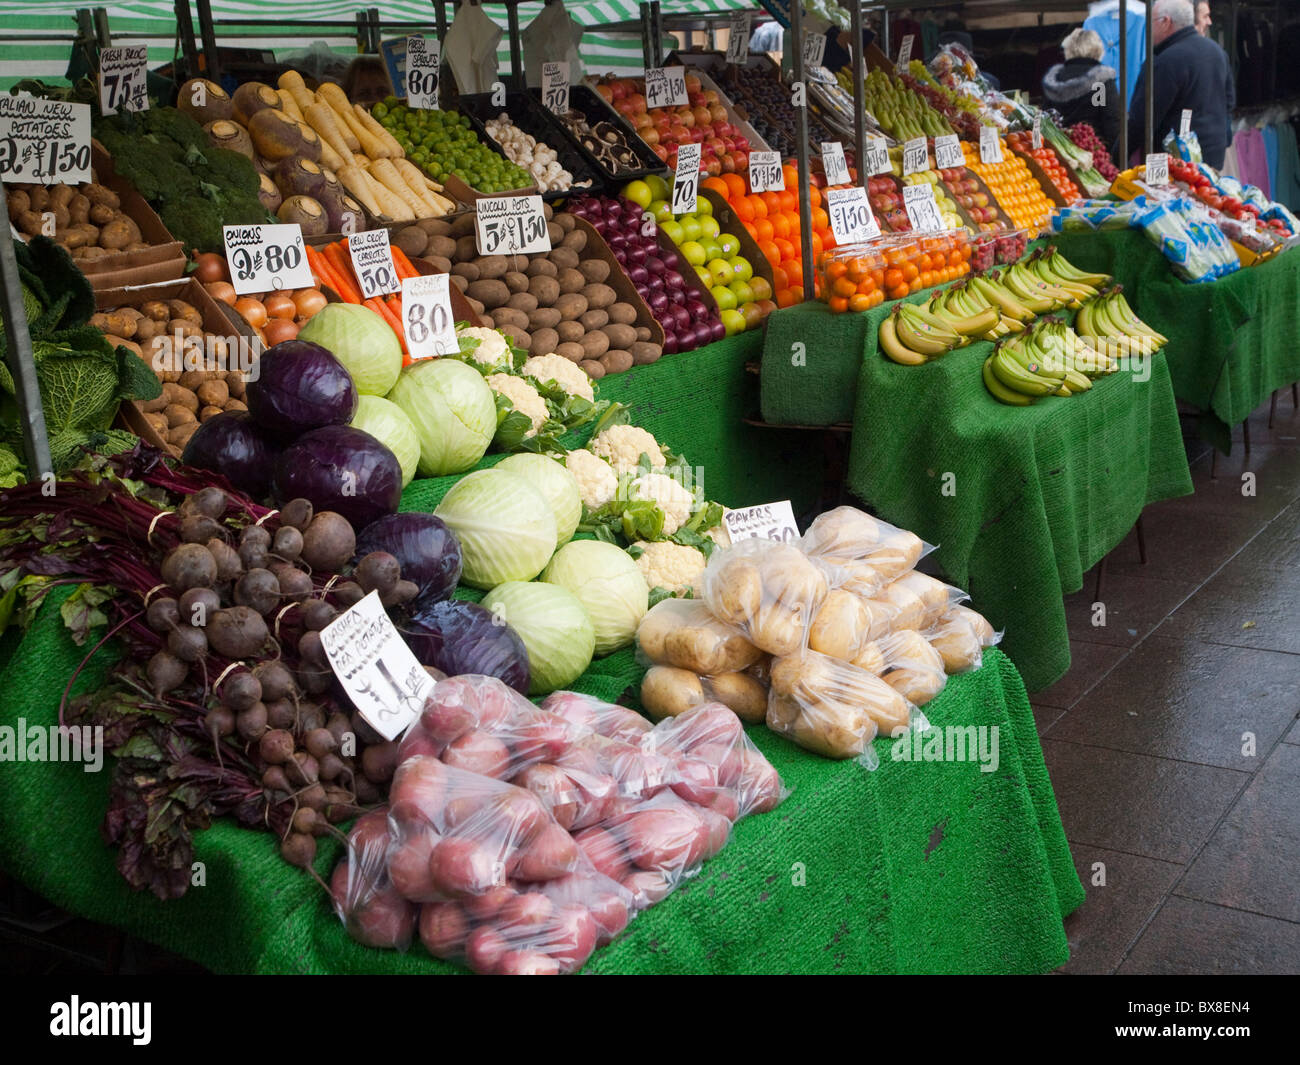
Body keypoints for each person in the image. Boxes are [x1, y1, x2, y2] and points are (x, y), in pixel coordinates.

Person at [1127, 0, 1233, 168]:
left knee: (1164, 194)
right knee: (1207, 194)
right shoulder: (1218, 52)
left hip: (1172, 162)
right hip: (1212, 158)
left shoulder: (1165, 61)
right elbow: (1229, 102)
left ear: (1165, 22)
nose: (1148, 29)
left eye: (1151, 22)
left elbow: (1143, 120)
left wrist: (1116, 157)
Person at [1041, 28, 1122, 152]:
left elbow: (1046, 120)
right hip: (1094, 152)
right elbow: (1112, 121)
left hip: (1059, 155)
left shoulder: (1054, 80)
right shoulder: (1100, 81)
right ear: (1098, 49)